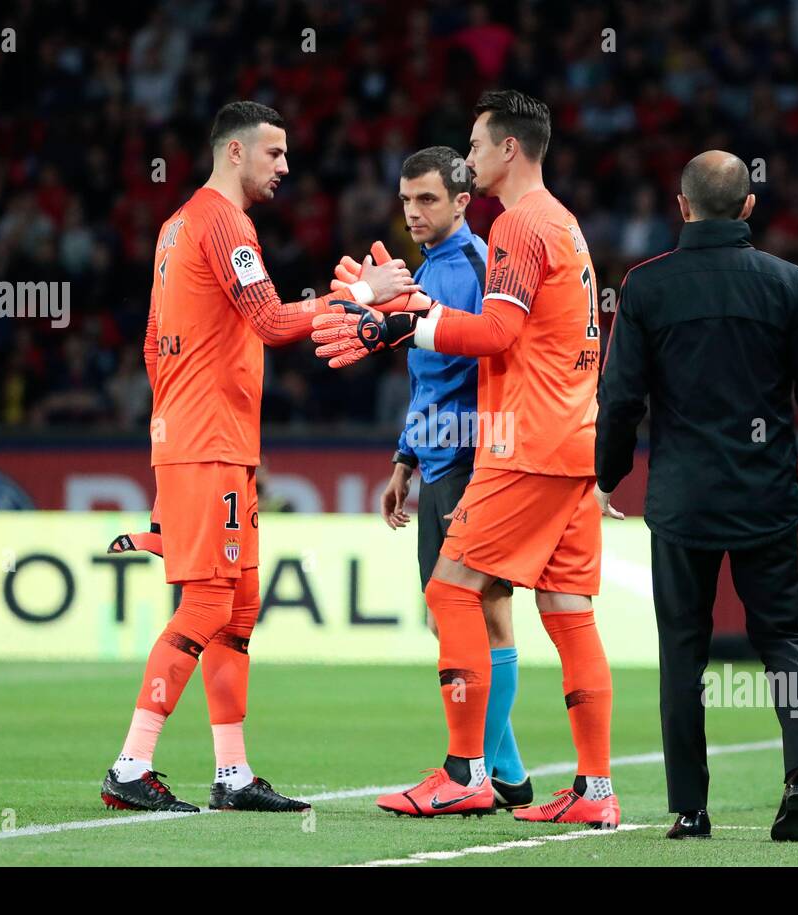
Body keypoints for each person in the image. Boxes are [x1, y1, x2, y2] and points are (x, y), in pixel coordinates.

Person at [100, 100, 417, 813]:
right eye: (274, 154)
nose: (285, 167)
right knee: (210, 601)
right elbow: (272, 321)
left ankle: (232, 775)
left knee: (238, 609)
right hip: (207, 444)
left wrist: (182, 432)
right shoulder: (222, 223)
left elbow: (154, 344)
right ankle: (130, 765)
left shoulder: (175, 227)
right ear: (235, 152)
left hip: (212, 443)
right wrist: (365, 295)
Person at [311, 91, 618, 826]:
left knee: (452, 594)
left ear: (508, 149)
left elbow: (497, 336)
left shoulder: (516, 225)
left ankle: (465, 772)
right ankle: (595, 791)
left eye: (476, 147)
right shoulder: (566, 224)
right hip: (577, 437)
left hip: (526, 442)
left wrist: (402, 328)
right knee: (568, 613)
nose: (470, 157)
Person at [594, 150, 798, 842]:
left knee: (683, 653)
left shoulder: (645, 287)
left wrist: (605, 476)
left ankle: (691, 810)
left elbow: (621, 398)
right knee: (783, 640)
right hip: (765, 498)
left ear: (682, 206)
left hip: (682, 504)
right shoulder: (787, 284)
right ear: (748, 208)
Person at [371, 145, 533, 808]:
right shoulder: (428, 269)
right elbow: (429, 377)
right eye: (407, 200)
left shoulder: (474, 265)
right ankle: (507, 772)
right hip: (436, 461)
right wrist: (406, 458)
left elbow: (494, 356)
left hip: (476, 462)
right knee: (451, 619)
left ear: (463, 202)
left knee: (485, 611)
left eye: (428, 199)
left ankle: (472, 771)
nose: (413, 212)